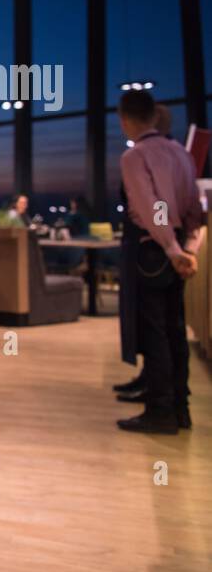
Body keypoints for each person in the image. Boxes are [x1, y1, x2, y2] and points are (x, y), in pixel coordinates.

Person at [115, 91, 204, 434]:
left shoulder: (135, 156)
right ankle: (180, 408)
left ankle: (160, 411)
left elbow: (154, 209)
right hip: (178, 247)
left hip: (154, 250)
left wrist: (169, 248)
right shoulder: (181, 153)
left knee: (154, 332)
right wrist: (188, 249)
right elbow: (194, 209)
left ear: (125, 119)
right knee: (174, 329)